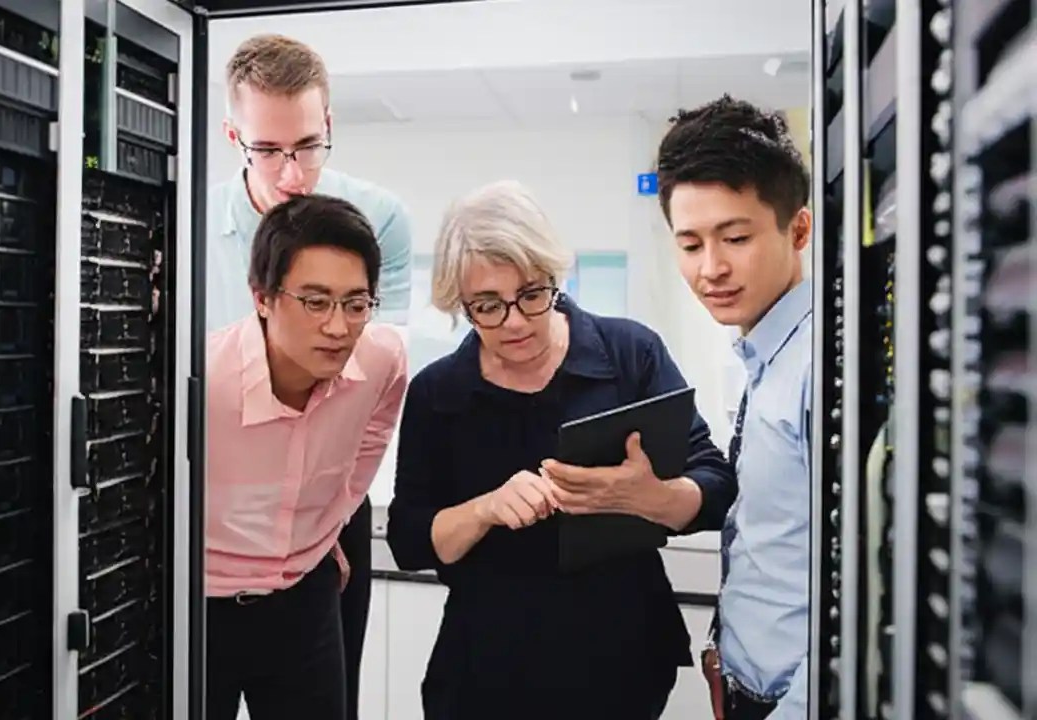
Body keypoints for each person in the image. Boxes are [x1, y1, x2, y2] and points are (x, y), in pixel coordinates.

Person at [386, 180, 737, 720]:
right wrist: (483, 509)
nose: (516, 322)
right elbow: (410, 540)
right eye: (487, 306)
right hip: (485, 671)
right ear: (460, 305)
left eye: (531, 294)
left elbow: (714, 483)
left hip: (621, 660)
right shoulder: (439, 393)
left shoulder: (630, 353)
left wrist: (651, 497)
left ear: (554, 274)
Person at [206, 33, 415, 719]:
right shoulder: (188, 223)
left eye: (307, 146)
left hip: (321, 510)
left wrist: (322, 526)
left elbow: (369, 385)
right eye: (267, 151)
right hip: (208, 509)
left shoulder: (377, 219)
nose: (292, 174)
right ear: (234, 135)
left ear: (328, 126)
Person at [654, 95, 813, 720]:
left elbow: (863, 578)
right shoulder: (764, 353)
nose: (711, 269)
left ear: (798, 229)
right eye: (689, 244)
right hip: (745, 688)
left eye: (736, 237)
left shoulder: (821, 369)